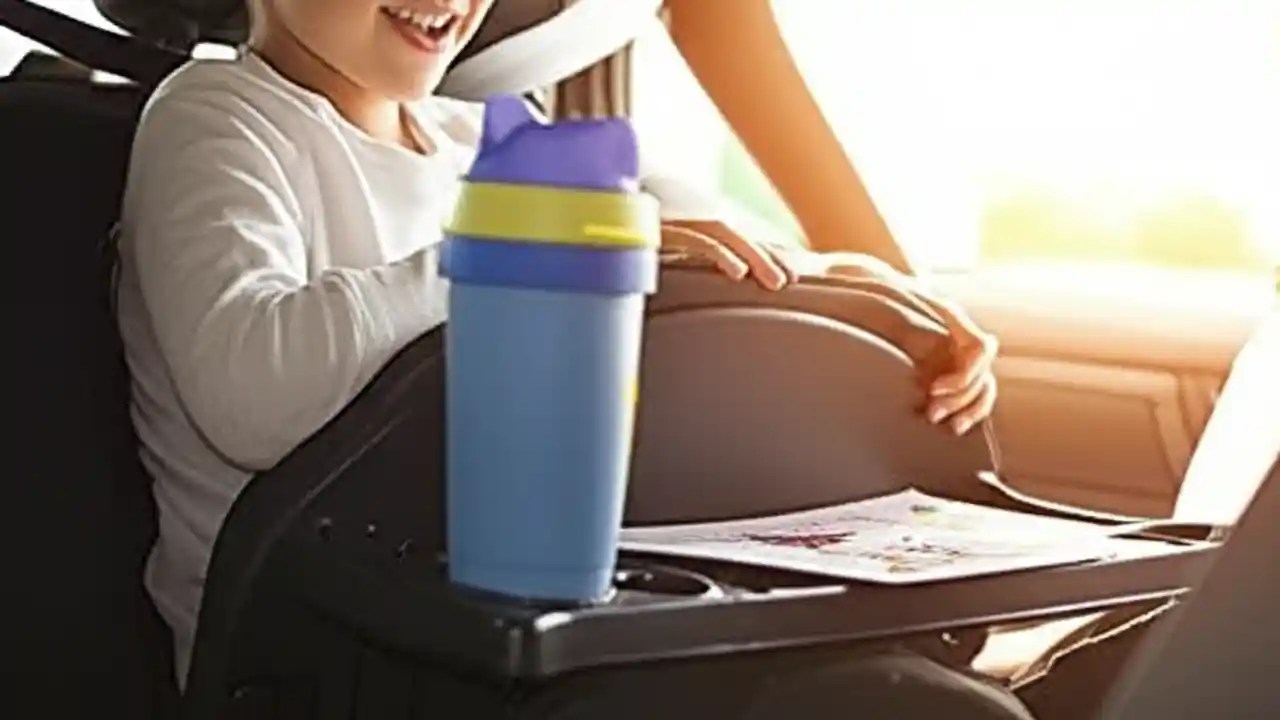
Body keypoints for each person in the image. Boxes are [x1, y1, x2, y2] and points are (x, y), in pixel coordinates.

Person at [114, 0, 1015, 713]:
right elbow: (251, 398)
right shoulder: (218, 118)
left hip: (532, 629)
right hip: (324, 654)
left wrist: (883, 300)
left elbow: (731, 252)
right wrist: (533, 243)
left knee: (910, 695)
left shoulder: (491, 141)